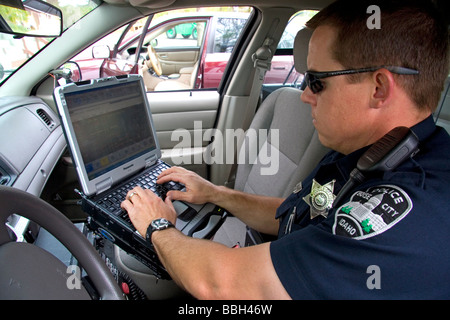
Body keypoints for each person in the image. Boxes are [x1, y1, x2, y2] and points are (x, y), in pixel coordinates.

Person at [121, 0, 450, 299]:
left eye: (317, 81)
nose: (305, 95)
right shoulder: (363, 153)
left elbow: (222, 285)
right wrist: (215, 193)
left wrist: (157, 226)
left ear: (378, 88)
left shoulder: (409, 213)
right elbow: (294, 213)